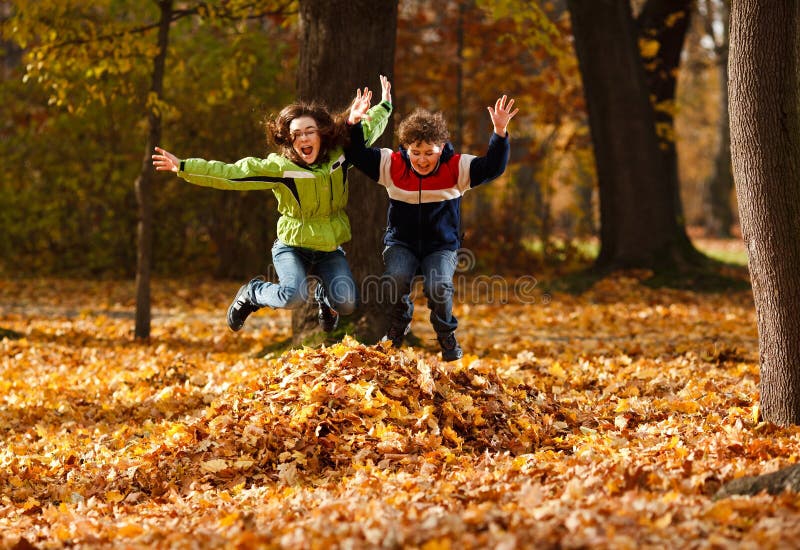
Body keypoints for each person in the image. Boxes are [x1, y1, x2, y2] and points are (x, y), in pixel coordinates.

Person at [152, 76, 393, 333]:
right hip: (292, 247)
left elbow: (369, 130)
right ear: (289, 141)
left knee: (346, 304)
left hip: (329, 247)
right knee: (294, 296)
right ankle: (253, 292)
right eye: (296, 135)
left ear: (321, 134)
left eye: (309, 132)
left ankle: (325, 298)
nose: (303, 139)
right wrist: (184, 166)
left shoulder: (341, 155)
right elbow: (230, 174)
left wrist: (384, 107)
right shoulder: (280, 169)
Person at [347, 95, 518, 361]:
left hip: (441, 245)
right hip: (401, 243)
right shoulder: (392, 165)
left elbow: (493, 167)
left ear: (441, 147)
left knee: (438, 287)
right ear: (405, 148)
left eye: (429, 153)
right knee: (395, 280)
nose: (422, 160)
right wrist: (354, 123)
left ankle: (446, 334)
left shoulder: (456, 167)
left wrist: (499, 132)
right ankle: (399, 322)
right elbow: (356, 154)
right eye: (415, 152)